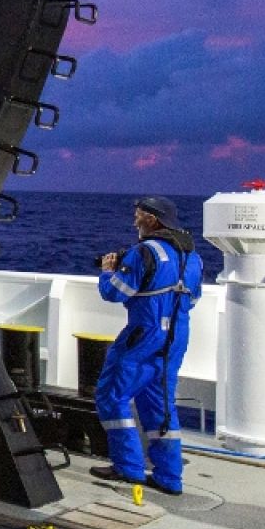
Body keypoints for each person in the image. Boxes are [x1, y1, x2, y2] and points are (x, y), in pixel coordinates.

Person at [90, 196, 203, 495]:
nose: (135, 220)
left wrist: (107, 271)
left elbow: (115, 293)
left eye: (139, 215)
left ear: (154, 220)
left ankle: (128, 467)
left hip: (144, 335)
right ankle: (169, 477)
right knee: (160, 405)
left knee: (112, 396)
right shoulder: (192, 257)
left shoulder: (143, 253)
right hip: (176, 336)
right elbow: (192, 298)